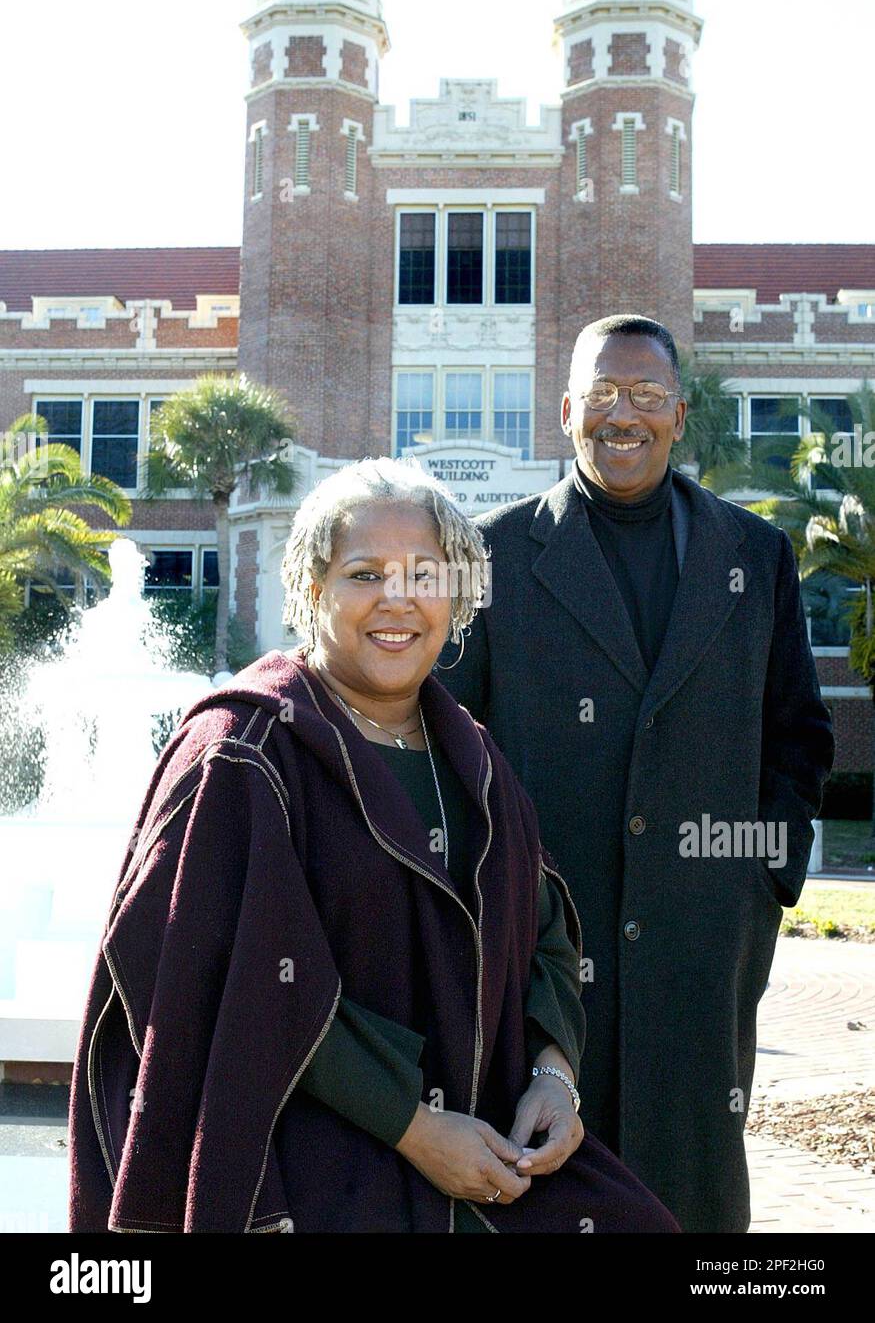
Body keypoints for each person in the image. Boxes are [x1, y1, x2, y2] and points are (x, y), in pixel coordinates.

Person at [67, 455, 680, 1234]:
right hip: (303, 1148)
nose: (399, 597)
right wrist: (415, 1129)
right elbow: (231, 981)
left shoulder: (473, 755)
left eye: (425, 573)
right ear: (312, 589)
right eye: (364, 574)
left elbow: (546, 932)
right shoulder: (242, 750)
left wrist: (553, 1075)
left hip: (486, 1142)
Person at [438, 313, 835, 1234]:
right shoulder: (491, 557)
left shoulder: (754, 555)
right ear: (568, 409)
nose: (626, 415)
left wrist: (761, 881)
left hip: (706, 937)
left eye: (648, 395)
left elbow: (798, 736)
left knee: (692, 1184)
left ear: (678, 413)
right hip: (542, 946)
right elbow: (448, 739)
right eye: (604, 395)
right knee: (544, 1182)